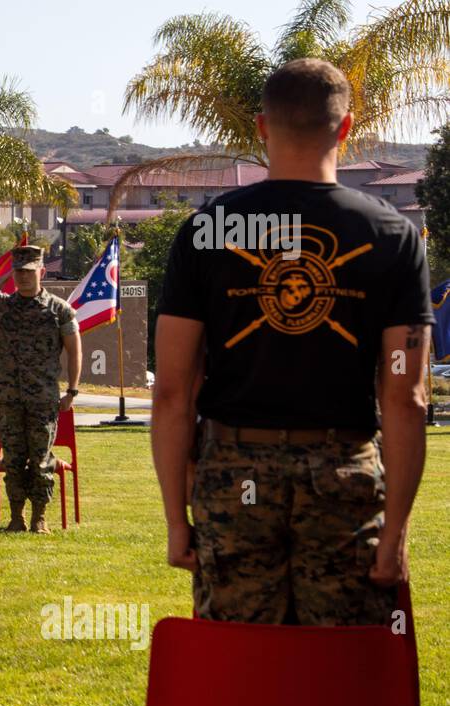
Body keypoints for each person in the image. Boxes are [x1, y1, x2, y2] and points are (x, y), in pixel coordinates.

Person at [152, 58, 432, 625]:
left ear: (261, 127)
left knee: (239, 677)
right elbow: (406, 396)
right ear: (346, 128)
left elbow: (173, 392)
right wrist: (395, 532)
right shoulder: (393, 237)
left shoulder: (206, 231)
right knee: (339, 678)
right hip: (343, 479)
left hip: (234, 480)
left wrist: (177, 520)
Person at [0, 244, 81, 534]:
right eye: (18, 272)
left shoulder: (59, 309)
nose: (23, 277)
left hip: (43, 398)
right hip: (9, 396)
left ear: (41, 271)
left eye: (29, 271)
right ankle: (16, 517)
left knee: (40, 459)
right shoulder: (1, 304)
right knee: (12, 459)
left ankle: (39, 517)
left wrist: (72, 391)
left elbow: (74, 351)